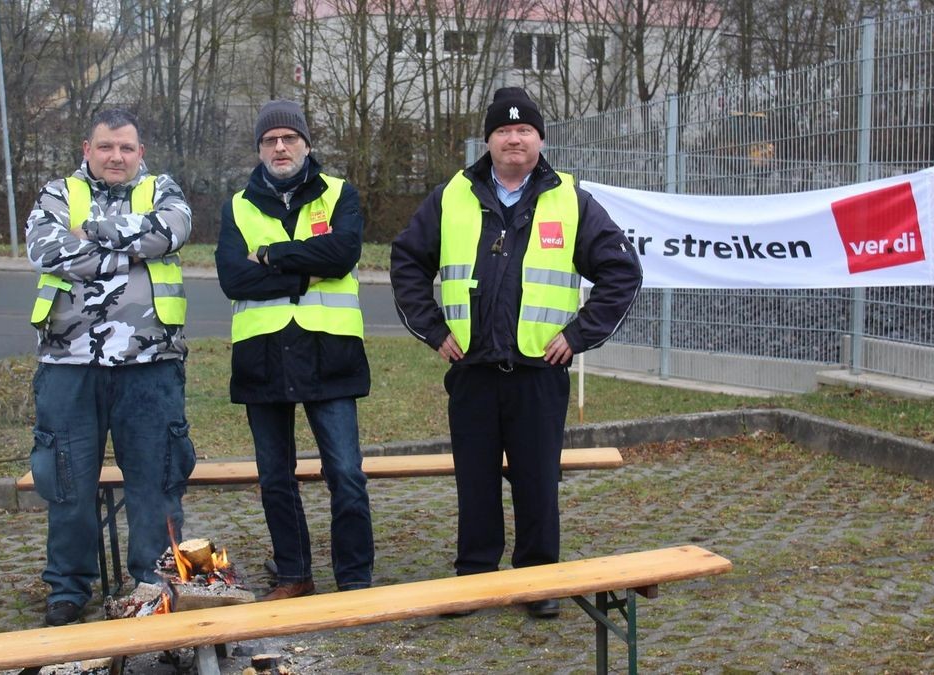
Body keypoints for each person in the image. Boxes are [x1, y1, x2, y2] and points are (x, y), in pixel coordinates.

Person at [390, 87, 642, 619]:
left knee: (536, 480)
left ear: (540, 138)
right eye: (503, 130)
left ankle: (538, 580)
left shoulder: (570, 199)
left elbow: (622, 271)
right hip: (473, 368)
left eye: (524, 129)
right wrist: (434, 330)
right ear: (488, 139)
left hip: (538, 370)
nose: (513, 138)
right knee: (474, 480)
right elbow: (408, 261)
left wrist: (577, 336)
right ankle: (474, 578)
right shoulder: (452, 195)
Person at [25, 109, 196, 626]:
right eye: (106, 147)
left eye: (126, 148)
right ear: (87, 148)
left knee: (156, 482)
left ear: (140, 152)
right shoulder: (57, 193)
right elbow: (45, 249)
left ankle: (154, 585)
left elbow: (171, 231)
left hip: (150, 365)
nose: (116, 156)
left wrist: (91, 234)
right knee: (69, 483)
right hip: (69, 363)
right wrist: (130, 249)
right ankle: (68, 590)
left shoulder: (163, 190)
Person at [215, 100, 374, 600]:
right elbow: (232, 278)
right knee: (275, 478)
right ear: (259, 149)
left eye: (289, 138)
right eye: (269, 141)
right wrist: (307, 268)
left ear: (306, 144)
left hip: (330, 351)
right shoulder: (237, 205)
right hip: (263, 354)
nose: (280, 148)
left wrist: (272, 255)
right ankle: (294, 575)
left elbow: (344, 253)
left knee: (345, 473)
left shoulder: (339, 194)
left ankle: (354, 578)